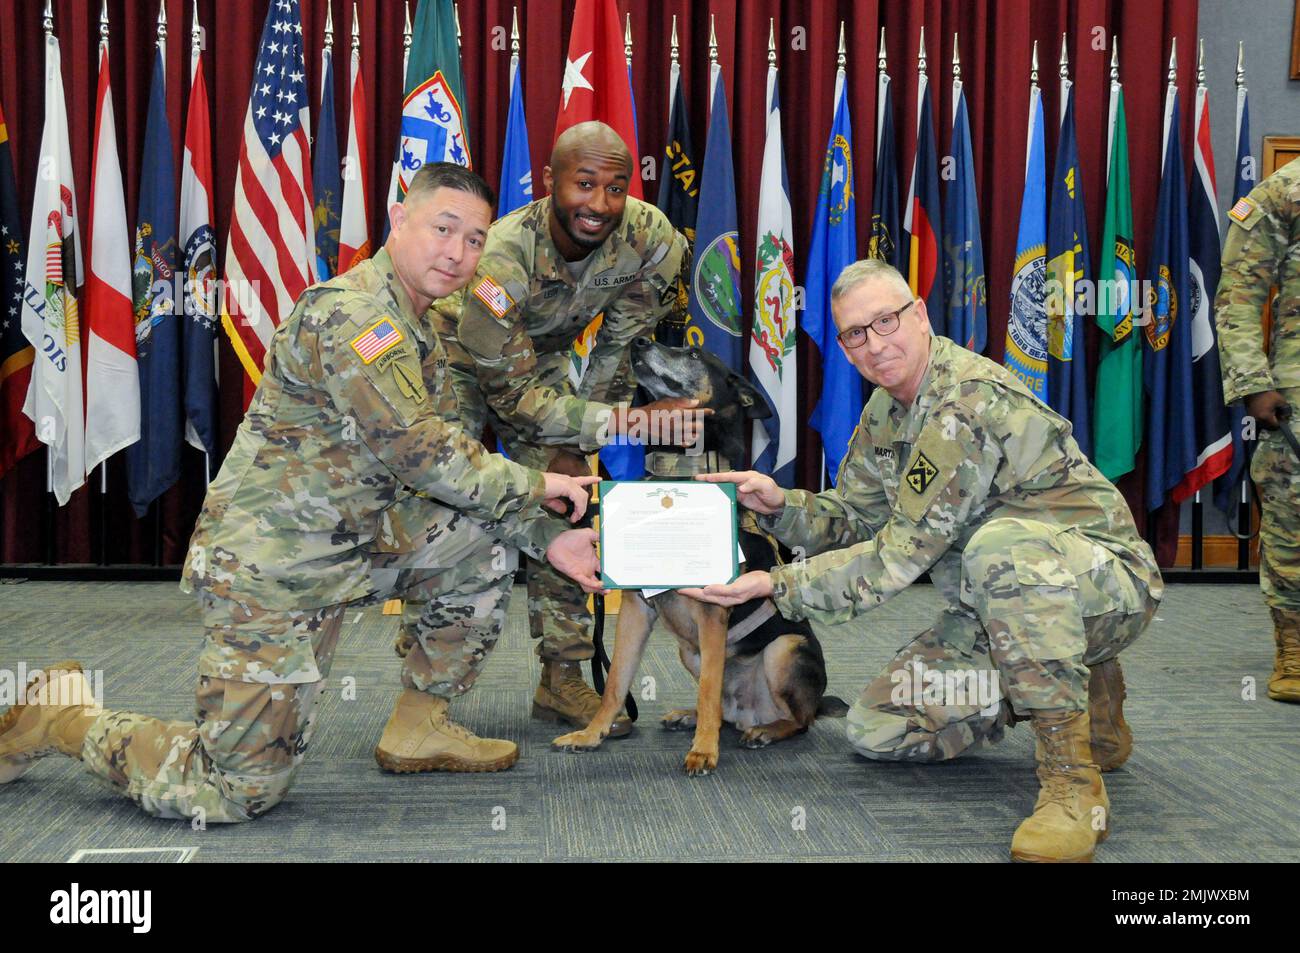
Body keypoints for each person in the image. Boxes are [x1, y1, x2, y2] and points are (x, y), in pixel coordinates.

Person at [0, 163, 603, 823]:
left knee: (483, 543)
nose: (457, 252)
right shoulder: (353, 314)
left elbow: (437, 476)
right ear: (400, 219)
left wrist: (548, 540)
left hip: (358, 537)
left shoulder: (419, 321)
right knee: (233, 791)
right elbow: (425, 453)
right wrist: (544, 484)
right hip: (273, 567)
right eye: (443, 228)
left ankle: (418, 724)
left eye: (475, 238)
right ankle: (62, 715)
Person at [684, 259, 1163, 863]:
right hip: (995, 610)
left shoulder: (964, 404)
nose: (875, 344)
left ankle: (1071, 781)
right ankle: (1072, 677)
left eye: (886, 321)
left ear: (920, 315)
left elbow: (894, 560)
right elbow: (855, 518)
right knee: (879, 731)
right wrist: (781, 506)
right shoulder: (887, 410)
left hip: (1104, 584)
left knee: (1001, 550)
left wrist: (775, 586)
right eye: (855, 334)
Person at [420, 120, 701, 736]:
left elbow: (621, 347)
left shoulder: (652, 238)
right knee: (462, 502)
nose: (600, 204)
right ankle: (427, 693)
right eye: (583, 184)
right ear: (549, 184)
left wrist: (581, 443)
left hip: (539, 362)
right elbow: (508, 390)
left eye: (615, 188)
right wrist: (611, 425)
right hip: (460, 361)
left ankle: (563, 677)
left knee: (569, 501)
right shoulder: (503, 256)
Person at [1215, 158, 1300, 704]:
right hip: (1296, 389)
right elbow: (1239, 294)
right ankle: (1293, 646)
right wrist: (1252, 382)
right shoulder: (1287, 190)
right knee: (1292, 518)